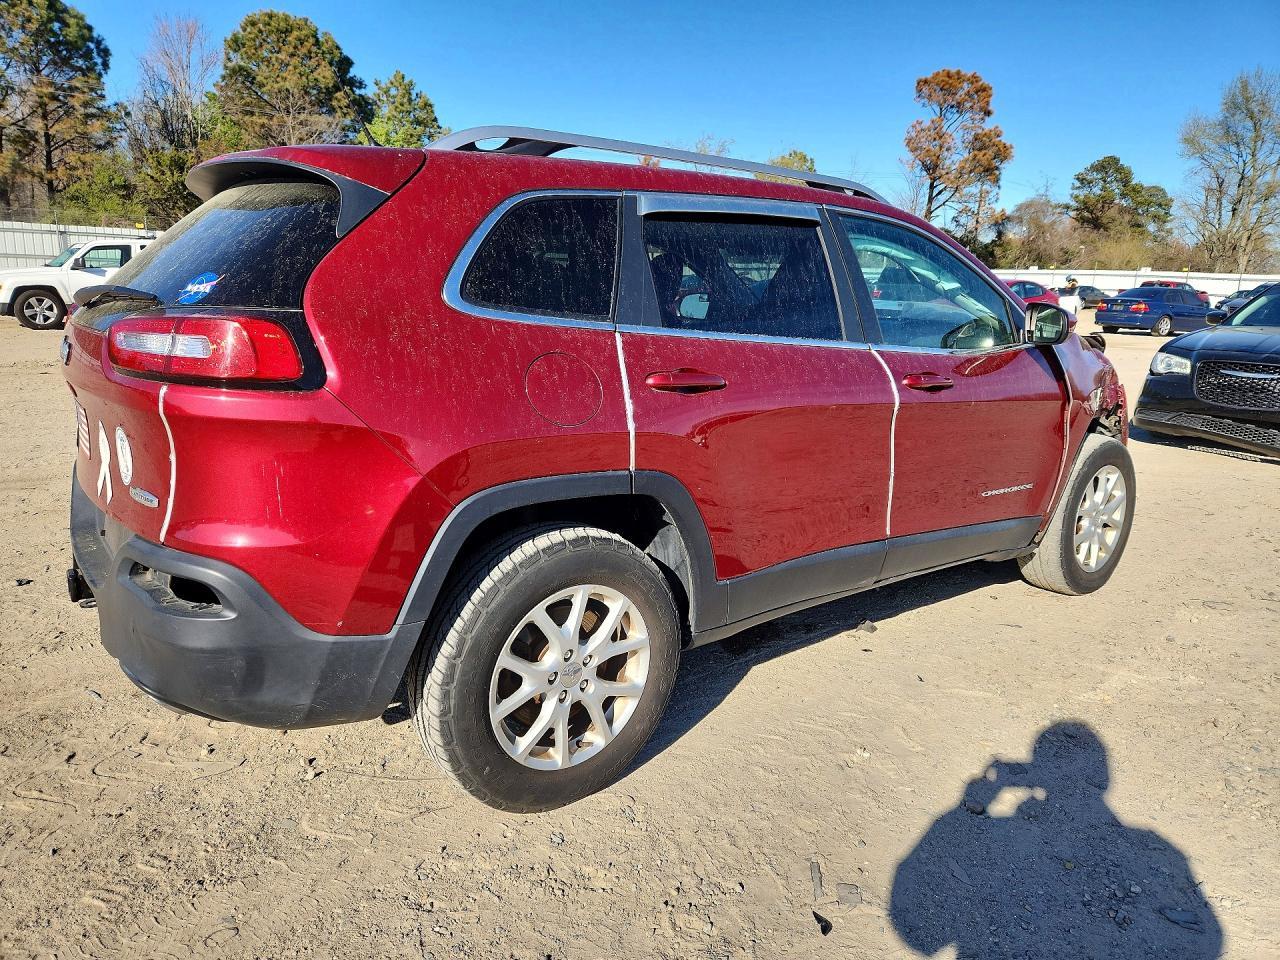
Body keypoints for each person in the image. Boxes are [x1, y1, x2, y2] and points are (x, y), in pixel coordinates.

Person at [890, 722, 1222, 959]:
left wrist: (979, 796)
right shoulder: (1158, 849)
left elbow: (919, 934)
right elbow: (1211, 941)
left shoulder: (1154, 847)